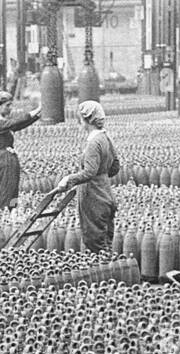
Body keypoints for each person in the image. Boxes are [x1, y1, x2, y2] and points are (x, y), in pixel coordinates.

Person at [55, 100, 121, 254]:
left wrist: (69, 179)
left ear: (86, 120)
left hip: (93, 198)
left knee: (94, 244)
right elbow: (115, 167)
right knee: (106, 242)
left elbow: (89, 172)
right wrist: (102, 176)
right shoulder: (106, 138)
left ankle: (100, 275)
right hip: (106, 195)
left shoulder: (93, 143)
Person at [0, 90, 41, 209]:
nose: (10, 108)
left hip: (9, 159)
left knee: (12, 187)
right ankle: (1, 210)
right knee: (3, 187)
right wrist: (35, 111)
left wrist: (37, 116)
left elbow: (18, 125)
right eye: (7, 105)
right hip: (3, 161)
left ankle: (12, 208)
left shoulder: (3, 123)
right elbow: (15, 122)